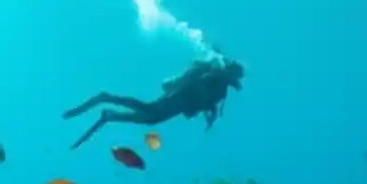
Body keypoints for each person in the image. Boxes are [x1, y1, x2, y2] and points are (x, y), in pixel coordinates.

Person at [64, 55, 245, 149]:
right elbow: (200, 88)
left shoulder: (221, 88)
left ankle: (110, 115)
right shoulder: (213, 75)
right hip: (178, 98)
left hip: (180, 105)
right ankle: (106, 98)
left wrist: (210, 117)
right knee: (149, 109)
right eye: (235, 75)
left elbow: (212, 106)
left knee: (151, 118)